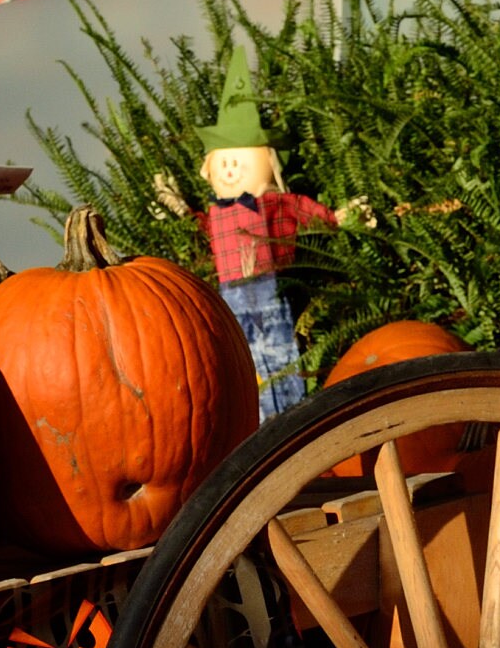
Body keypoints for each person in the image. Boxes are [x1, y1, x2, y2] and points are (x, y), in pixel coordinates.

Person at [151, 56, 363, 419]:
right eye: (224, 163)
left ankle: (291, 417)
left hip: (269, 287)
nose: (231, 169)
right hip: (229, 294)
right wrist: (174, 206)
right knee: (241, 356)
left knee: (279, 352)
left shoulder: (275, 204)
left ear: (267, 164)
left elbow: (307, 212)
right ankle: (256, 418)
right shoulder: (215, 213)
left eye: (239, 162)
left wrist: (339, 217)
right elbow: (197, 225)